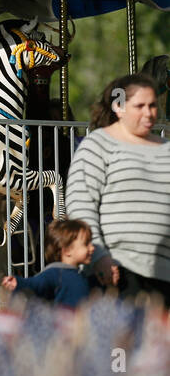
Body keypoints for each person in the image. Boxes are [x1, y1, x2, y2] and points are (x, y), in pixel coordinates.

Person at [67, 73, 170, 305]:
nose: (149, 113)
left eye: (152, 105)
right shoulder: (98, 145)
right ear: (119, 107)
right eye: (140, 106)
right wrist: (99, 256)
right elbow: (81, 205)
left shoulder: (166, 149)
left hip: (164, 272)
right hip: (118, 269)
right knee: (121, 341)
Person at [0, 218, 94, 308]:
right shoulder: (55, 273)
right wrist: (19, 282)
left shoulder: (81, 274)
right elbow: (36, 284)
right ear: (67, 250)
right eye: (86, 244)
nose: (92, 248)